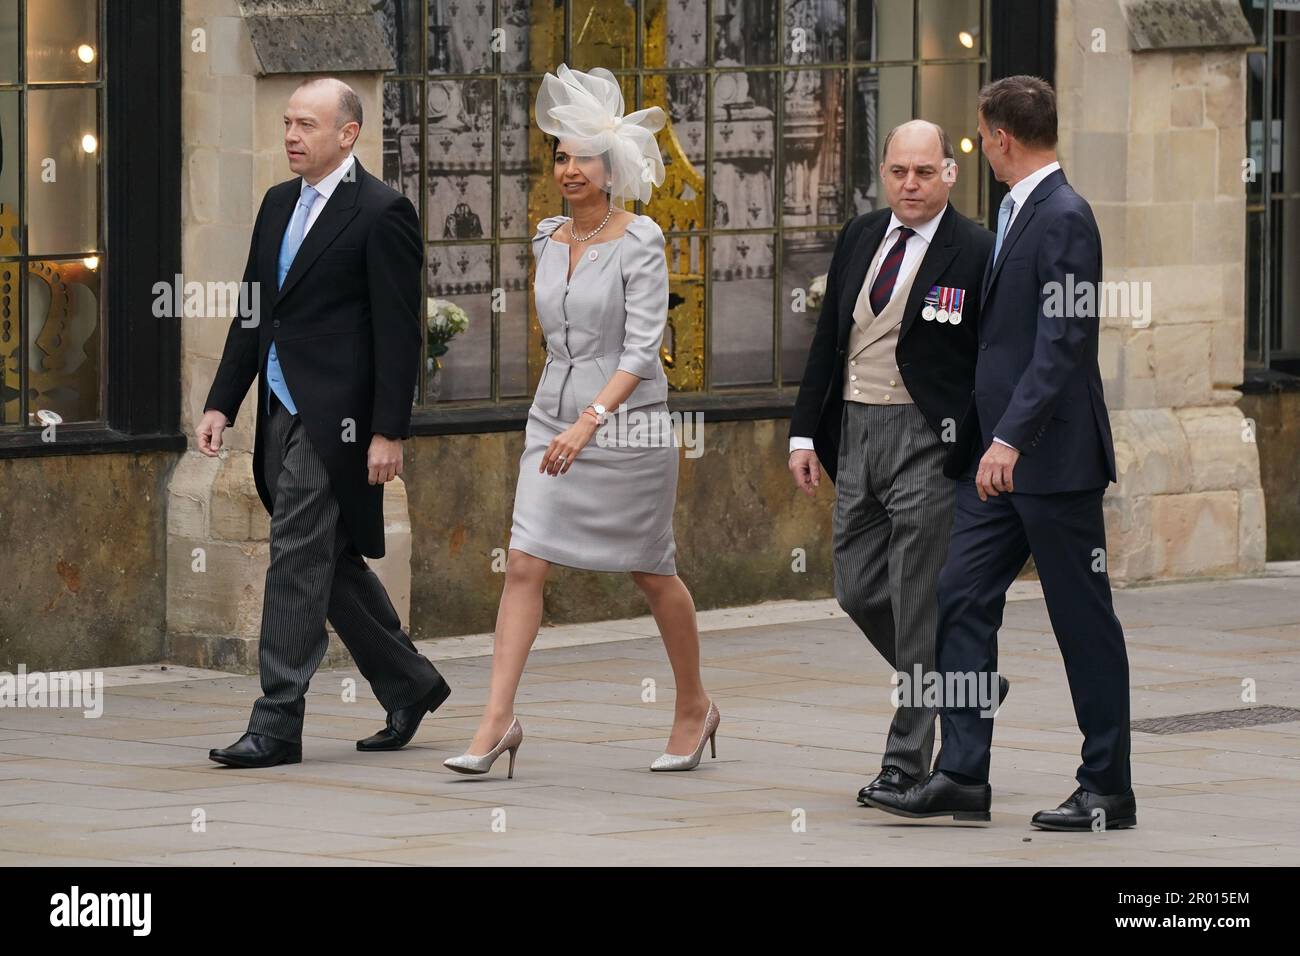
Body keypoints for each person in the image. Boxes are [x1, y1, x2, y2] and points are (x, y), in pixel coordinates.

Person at [865, 76, 1134, 830]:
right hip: (995, 463)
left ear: (1002, 139)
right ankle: (962, 773)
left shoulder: (1067, 216)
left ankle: (1108, 785)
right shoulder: (1017, 210)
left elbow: (1065, 342)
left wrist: (1010, 436)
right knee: (960, 596)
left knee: (1083, 621)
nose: (978, 148)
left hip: (1053, 461)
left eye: (981, 137)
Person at [443, 64, 717, 779]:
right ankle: (497, 720)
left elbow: (640, 347)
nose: (568, 169)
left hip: (628, 424)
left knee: (652, 572)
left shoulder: (642, 239)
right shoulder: (544, 236)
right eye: (560, 155)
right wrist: (562, 417)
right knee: (525, 561)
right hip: (550, 418)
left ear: (613, 166)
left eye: (583, 157)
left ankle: (693, 705)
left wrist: (591, 420)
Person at [197, 77, 450, 768]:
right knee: (326, 560)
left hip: (337, 421)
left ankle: (277, 722)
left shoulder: (382, 212)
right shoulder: (278, 204)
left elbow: (399, 333)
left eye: (306, 124)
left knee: (295, 557)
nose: (291, 135)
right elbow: (256, 312)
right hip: (279, 410)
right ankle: (411, 683)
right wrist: (223, 400)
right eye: (286, 122)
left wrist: (388, 431)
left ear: (348, 133)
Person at [788, 119, 995, 808]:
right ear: (885, 171)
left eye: (924, 172)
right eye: (899, 171)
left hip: (927, 440)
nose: (910, 184)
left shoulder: (975, 250)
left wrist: (976, 442)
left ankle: (905, 763)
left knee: (915, 599)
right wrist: (802, 436)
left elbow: (988, 361)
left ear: (950, 174)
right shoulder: (861, 235)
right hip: (855, 432)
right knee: (856, 587)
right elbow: (828, 340)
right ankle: (957, 679)